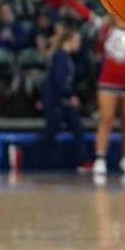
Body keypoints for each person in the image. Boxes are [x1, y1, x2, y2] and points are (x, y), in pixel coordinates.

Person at [64, 0, 125, 181]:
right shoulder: (106, 29)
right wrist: (72, 1)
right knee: (106, 119)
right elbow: (89, 16)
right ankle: (100, 158)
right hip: (108, 82)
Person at [36, 26, 87, 167]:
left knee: (74, 129)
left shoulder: (65, 57)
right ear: (69, 40)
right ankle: (26, 155)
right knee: (52, 134)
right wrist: (70, 96)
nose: (79, 44)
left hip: (60, 100)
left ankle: (83, 161)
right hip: (56, 101)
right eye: (77, 40)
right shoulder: (60, 56)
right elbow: (59, 81)